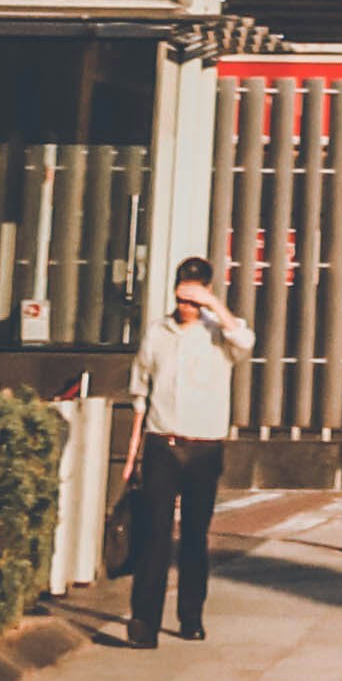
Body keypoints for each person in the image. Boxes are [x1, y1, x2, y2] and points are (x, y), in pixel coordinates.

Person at [124, 252, 254, 645]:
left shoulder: (222, 332)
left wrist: (213, 306)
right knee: (155, 533)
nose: (187, 307)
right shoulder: (157, 333)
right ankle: (144, 623)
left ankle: (191, 616)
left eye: (195, 299)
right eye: (183, 298)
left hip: (204, 446)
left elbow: (245, 343)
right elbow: (140, 394)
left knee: (196, 535)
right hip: (162, 442)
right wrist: (131, 457)